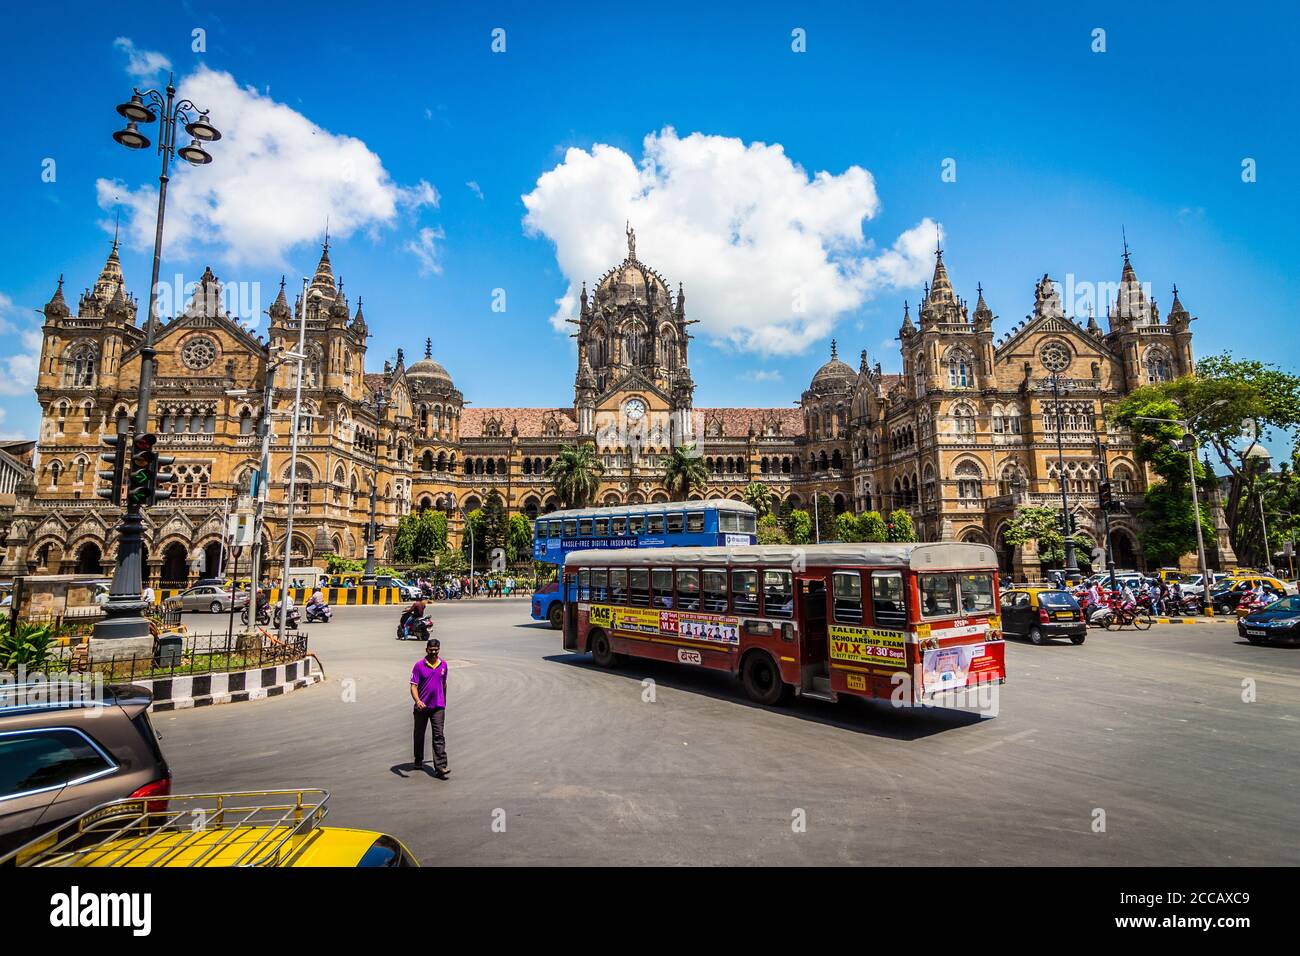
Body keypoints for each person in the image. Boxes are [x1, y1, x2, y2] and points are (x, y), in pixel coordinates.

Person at [409, 638, 449, 778]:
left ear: (439, 649)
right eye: (431, 650)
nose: (434, 652)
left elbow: (444, 684)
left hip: (438, 707)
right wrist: (417, 700)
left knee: (439, 736)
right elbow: (413, 685)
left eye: (436, 650)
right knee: (419, 734)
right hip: (422, 707)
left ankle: (441, 766)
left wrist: (443, 700)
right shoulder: (419, 665)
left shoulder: (443, 665)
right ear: (426, 649)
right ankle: (418, 759)